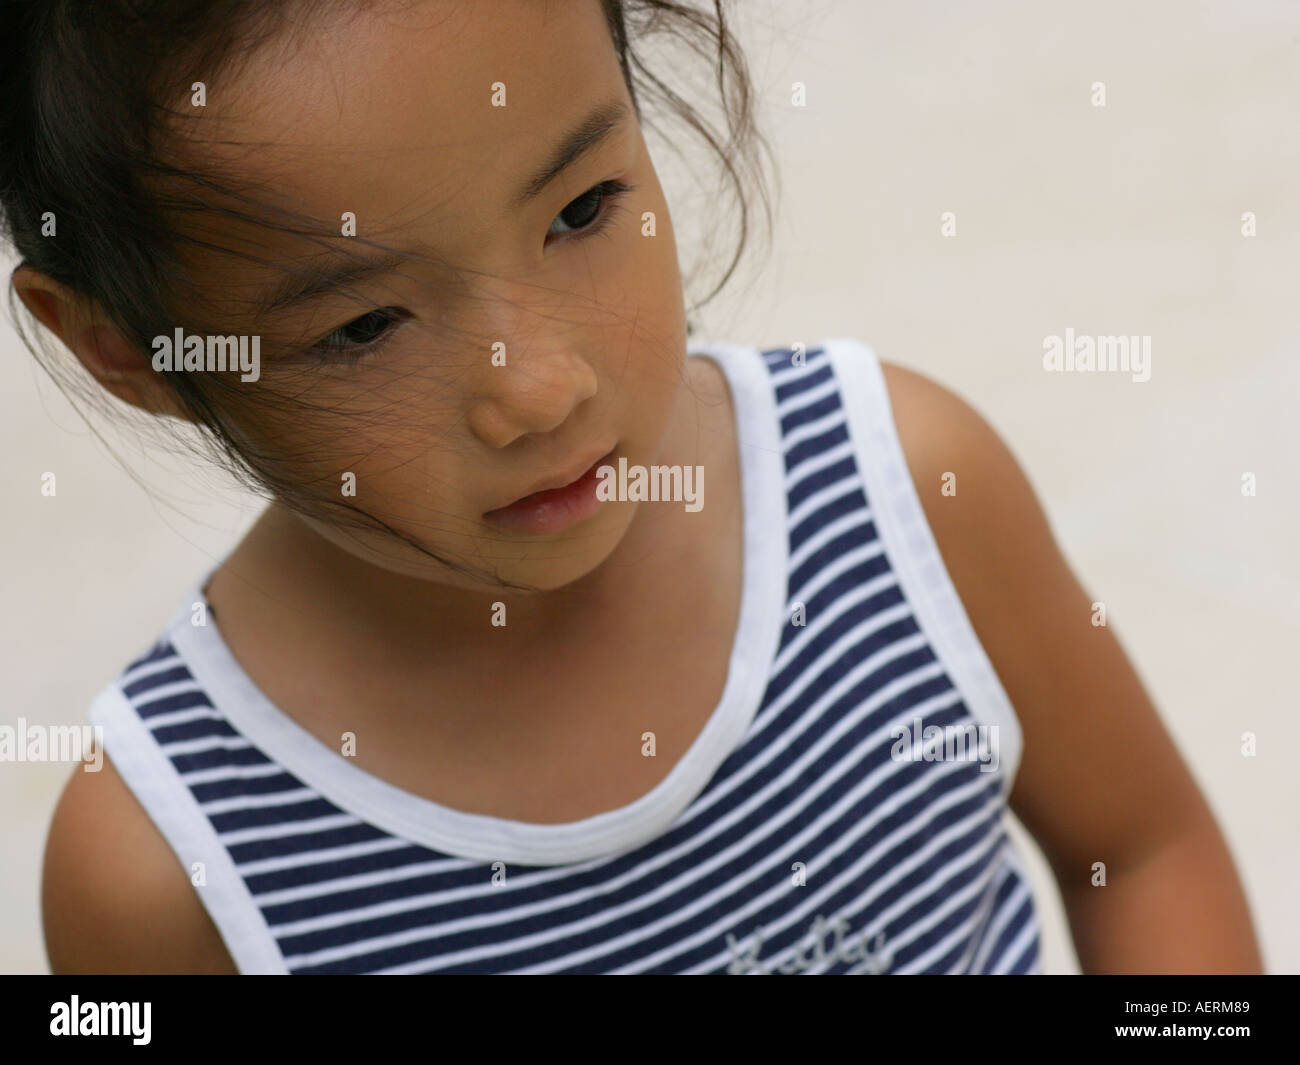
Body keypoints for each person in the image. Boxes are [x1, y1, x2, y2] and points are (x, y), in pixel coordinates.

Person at [4, 0, 1261, 974]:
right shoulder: (168, 865)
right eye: (366, 326)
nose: (541, 391)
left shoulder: (904, 492)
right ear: (125, 345)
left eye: (583, 206)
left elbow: (1137, 852)